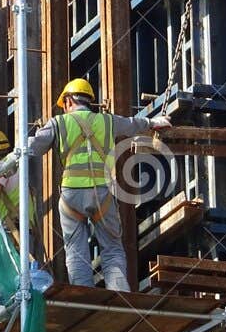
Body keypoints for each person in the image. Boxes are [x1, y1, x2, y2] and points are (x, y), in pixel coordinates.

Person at [21, 77, 170, 292]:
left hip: (71, 196)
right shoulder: (107, 121)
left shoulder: (59, 123)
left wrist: (12, 157)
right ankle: (121, 295)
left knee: (76, 253)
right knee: (112, 250)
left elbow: (32, 148)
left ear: (69, 101)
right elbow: (132, 124)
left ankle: (84, 298)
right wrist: (154, 122)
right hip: (102, 193)